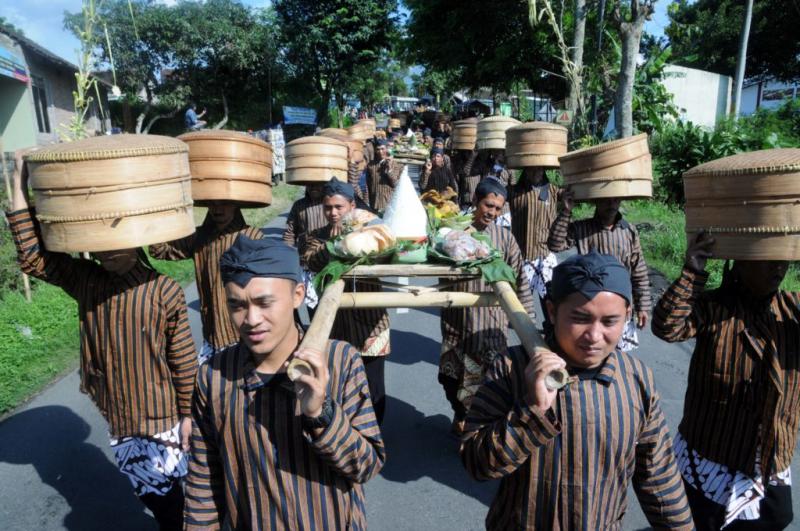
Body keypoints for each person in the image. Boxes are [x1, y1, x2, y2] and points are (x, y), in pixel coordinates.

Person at [7, 151, 196, 531]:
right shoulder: (87, 280)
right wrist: (17, 182)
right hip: (118, 416)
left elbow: (184, 360)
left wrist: (190, 415)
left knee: (172, 502)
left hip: (162, 419)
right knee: (153, 496)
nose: (105, 251)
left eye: (114, 241)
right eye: (98, 243)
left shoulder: (164, 291)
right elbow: (31, 258)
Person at [460, 251, 694, 530]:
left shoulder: (637, 379)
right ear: (552, 310)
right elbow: (477, 464)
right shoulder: (512, 368)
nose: (594, 336)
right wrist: (532, 410)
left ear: (627, 316)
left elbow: (658, 476)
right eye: (580, 318)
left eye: (610, 321)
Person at [184, 236, 385, 529]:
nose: (251, 319)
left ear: (298, 294)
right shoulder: (214, 376)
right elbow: (204, 481)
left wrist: (322, 414)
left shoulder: (341, 361)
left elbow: (365, 465)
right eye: (237, 305)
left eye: (264, 302)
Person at [652, 232, 799, 530]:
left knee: (775, 517)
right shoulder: (713, 307)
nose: (778, 268)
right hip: (711, 459)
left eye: (783, 258)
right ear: (741, 261)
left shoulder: (792, 312)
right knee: (701, 521)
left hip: (769, 461)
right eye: (767, 259)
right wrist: (692, 272)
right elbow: (667, 326)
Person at [439, 179, 535, 435]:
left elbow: (520, 280)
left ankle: (475, 431)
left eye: (497, 208)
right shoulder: (451, 234)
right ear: (475, 202)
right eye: (488, 205)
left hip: (491, 328)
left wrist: (528, 322)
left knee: (489, 386)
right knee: (450, 380)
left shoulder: (505, 239)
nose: (492, 212)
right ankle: (460, 413)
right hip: (456, 324)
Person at [301, 178, 392, 425]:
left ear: (351, 205)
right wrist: (334, 244)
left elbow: (388, 254)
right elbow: (310, 260)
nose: (333, 213)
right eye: (328, 207)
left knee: (373, 387)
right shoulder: (316, 237)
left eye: (339, 207)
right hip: (335, 325)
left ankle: (374, 436)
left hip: (371, 323)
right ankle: (344, 431)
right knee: (339, 382)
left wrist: (358, 234)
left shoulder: (371, 231)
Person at [149, 202, 262, 364]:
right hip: (212, 332)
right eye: (212, 204)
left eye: (224, 204)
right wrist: (165, 212)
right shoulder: (199, 237)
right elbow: (159, 250)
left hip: (245, 333)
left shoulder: (252, 237)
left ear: (236, 205)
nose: (217, 209)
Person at [548, 194, 651, 351]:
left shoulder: (629, 231)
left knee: (617, 357)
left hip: (618, 304)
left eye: (616, 199)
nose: (612, 204)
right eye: (606, 199)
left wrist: (643, 305)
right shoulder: (582, 228)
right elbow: (555, 244)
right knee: (588, 349)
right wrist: (566, 212)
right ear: (595, 200)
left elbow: (639, 271)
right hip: (589, 303)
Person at [507, 166, 562, 322]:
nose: (535, 173)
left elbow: (573, 194)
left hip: (546, 254)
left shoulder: (553, 190)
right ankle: (524, 330)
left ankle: (551, 327)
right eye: (531, 170)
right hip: (522, 253)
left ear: (543, 171)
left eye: (539, 170)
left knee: (550, 295)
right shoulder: (514, 191)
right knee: (521, 303)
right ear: (525, 171)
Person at [283, 183, 328, 311]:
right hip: (306, 264)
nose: (314, 187)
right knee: (311, 304)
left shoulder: (330, 204)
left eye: (317, 184)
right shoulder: (299, 206)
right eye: (310, 184)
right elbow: (289, 233)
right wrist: (288, 257)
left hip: (328, 262)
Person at [365, 138, 402, 212]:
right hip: (374, 203)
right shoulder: (371, 165)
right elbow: (367, 184)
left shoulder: (395, 164)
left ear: (387, 149)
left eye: (382, 149)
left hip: (388, 203)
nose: (380, 152)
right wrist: (366, 201)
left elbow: (395, 183)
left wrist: (389, 170)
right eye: (378, 149)